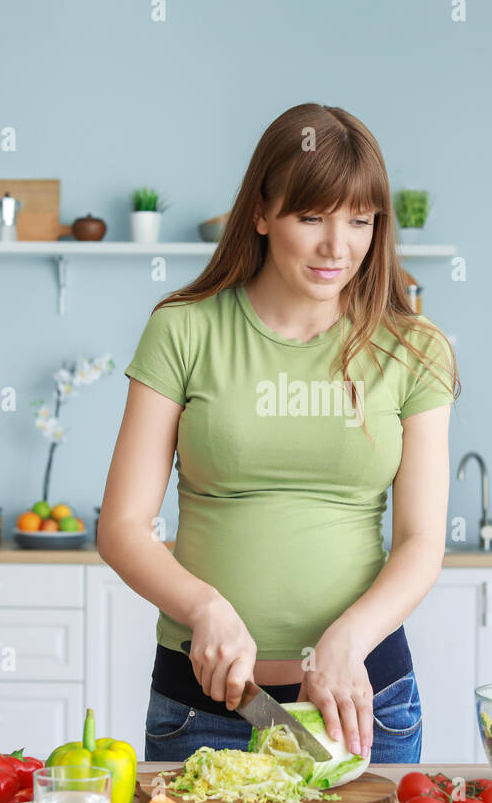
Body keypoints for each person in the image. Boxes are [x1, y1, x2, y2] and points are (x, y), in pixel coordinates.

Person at [97, 102, 459, 765]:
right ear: (261, 214)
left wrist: (348, 639)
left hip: (359, 710)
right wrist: (203, 607)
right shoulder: (184, 330)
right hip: (201, 713)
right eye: (311, 216)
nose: (338, 246)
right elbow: (122, 526)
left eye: (360, 220)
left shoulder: (414, 348)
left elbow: (421, 542)